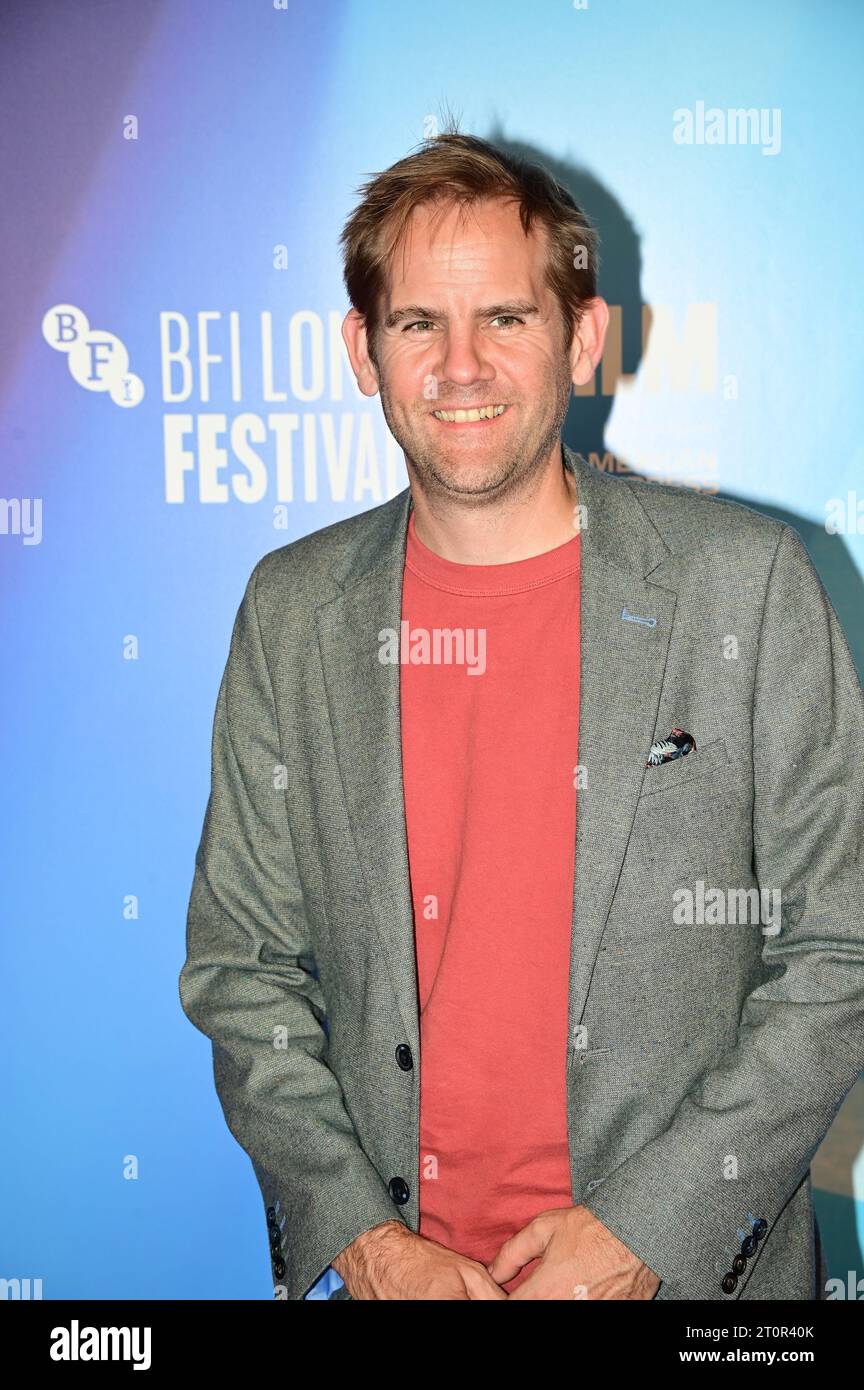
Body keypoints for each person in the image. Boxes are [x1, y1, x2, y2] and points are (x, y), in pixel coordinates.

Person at [178, 130, 864, 1300]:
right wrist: (367, 1241)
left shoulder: (743, 583)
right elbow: (242, 970)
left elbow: (838, 950)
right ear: (361, 349)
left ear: (581, 339)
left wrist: (648, 1231)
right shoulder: (291, 610)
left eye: (505, 317)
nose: (460, 366)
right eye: (416, 324)